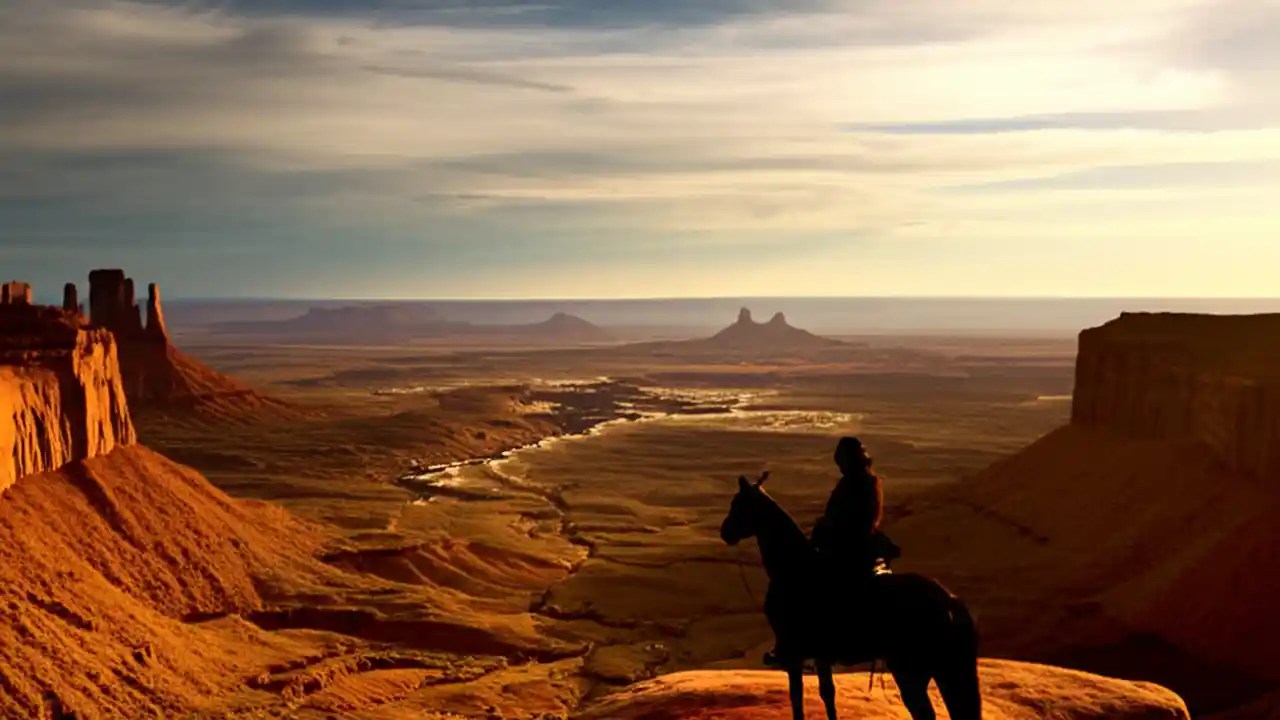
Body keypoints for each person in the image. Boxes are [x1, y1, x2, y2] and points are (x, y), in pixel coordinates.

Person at [763, 436, 898, 667]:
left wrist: (828, 527)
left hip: (851, 547)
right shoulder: (857, 481)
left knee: (811, 585)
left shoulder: (861, 483)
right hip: (848, 542)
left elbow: (855, 520)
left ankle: (812, 642)